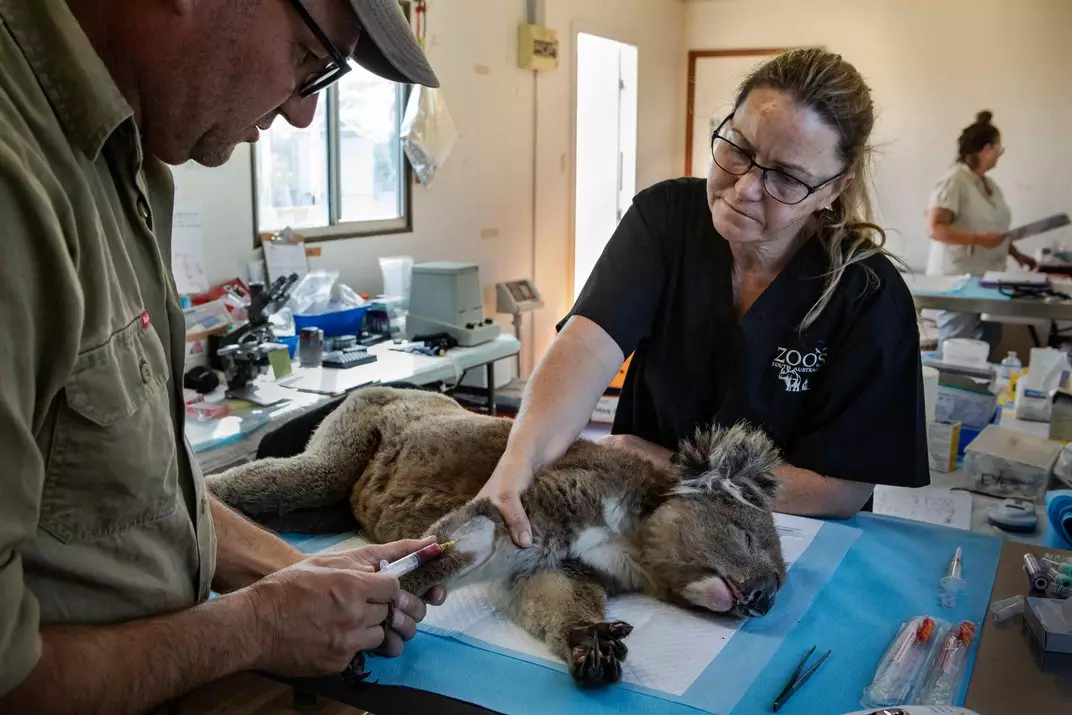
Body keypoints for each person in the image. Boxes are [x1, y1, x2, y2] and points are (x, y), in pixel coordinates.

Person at [0, 1, 445, 712]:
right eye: (309, 57)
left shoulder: (130, 160)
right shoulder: (17, 178)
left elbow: (125, 494)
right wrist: (259, 625)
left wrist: (303, 575)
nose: (303, 115)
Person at [479, 48, 929, 549]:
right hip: (646, 520)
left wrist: (668, 466)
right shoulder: (665, 221)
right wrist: (521, 455)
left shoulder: (867, 294)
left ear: (833, 189)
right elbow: (586, 346)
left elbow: (840, 488)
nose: (745, 187)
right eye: (738, 148)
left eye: (785, 177)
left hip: (783, 542)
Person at [925, 111, 1035, 348]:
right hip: (958, 281)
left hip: (990, 280)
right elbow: (935, 228)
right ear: (988, 149)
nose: (999, 156)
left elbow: (993, 229)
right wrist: (979, 240)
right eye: (999, 150)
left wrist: (1015, 253)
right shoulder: (955, 181)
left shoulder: (988, 185)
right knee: (957, 345)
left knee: (989, 341)